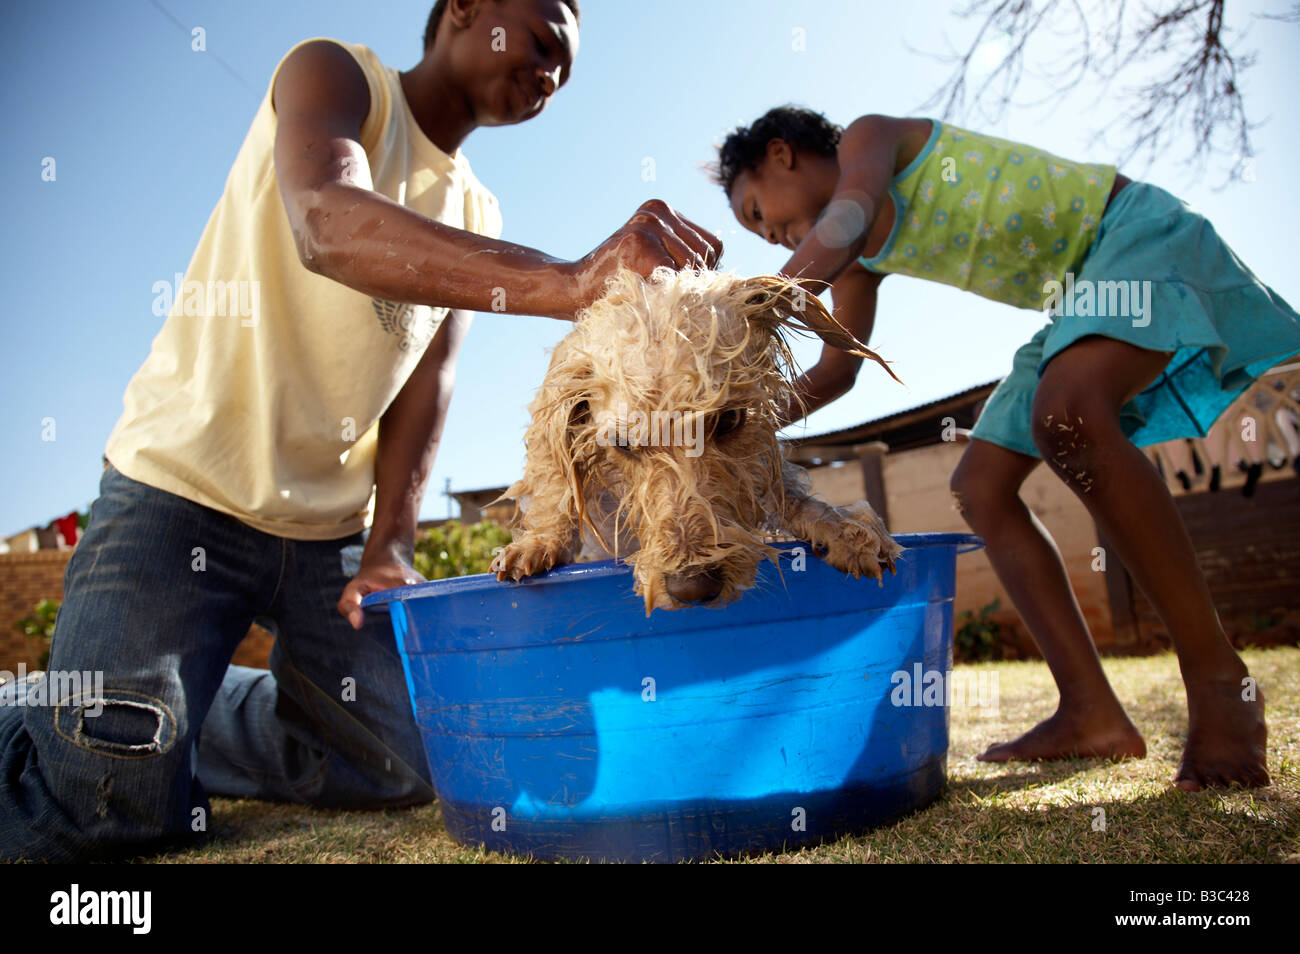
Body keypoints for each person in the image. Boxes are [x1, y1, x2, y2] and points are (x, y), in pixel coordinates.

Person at [0, 0, 721, 862]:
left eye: (565, 69)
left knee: (403, 764)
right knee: (105, 812)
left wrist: (391, 542)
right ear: (466, 10)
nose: (551, 74)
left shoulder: (475, 209)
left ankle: (165, 718)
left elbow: (427, 379)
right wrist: (570, 279)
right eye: (542, 40)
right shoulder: (336, 73)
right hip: (178, 491)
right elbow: (326, 222)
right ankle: (58, 722)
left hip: (326, 537)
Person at [713, 105, 1300, 790]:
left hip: (1131, 234)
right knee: (982, 486)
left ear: (780, 154)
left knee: (1069, 414)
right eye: (757, 230)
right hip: (1078, 300)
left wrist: (750, 312)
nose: (768, 234)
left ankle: (1220, 680)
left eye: (757, 212)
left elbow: (846, 215)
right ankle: (1090, 711)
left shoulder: (868, 143)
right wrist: (732, 414)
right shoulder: (856, 266)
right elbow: (837, 373)